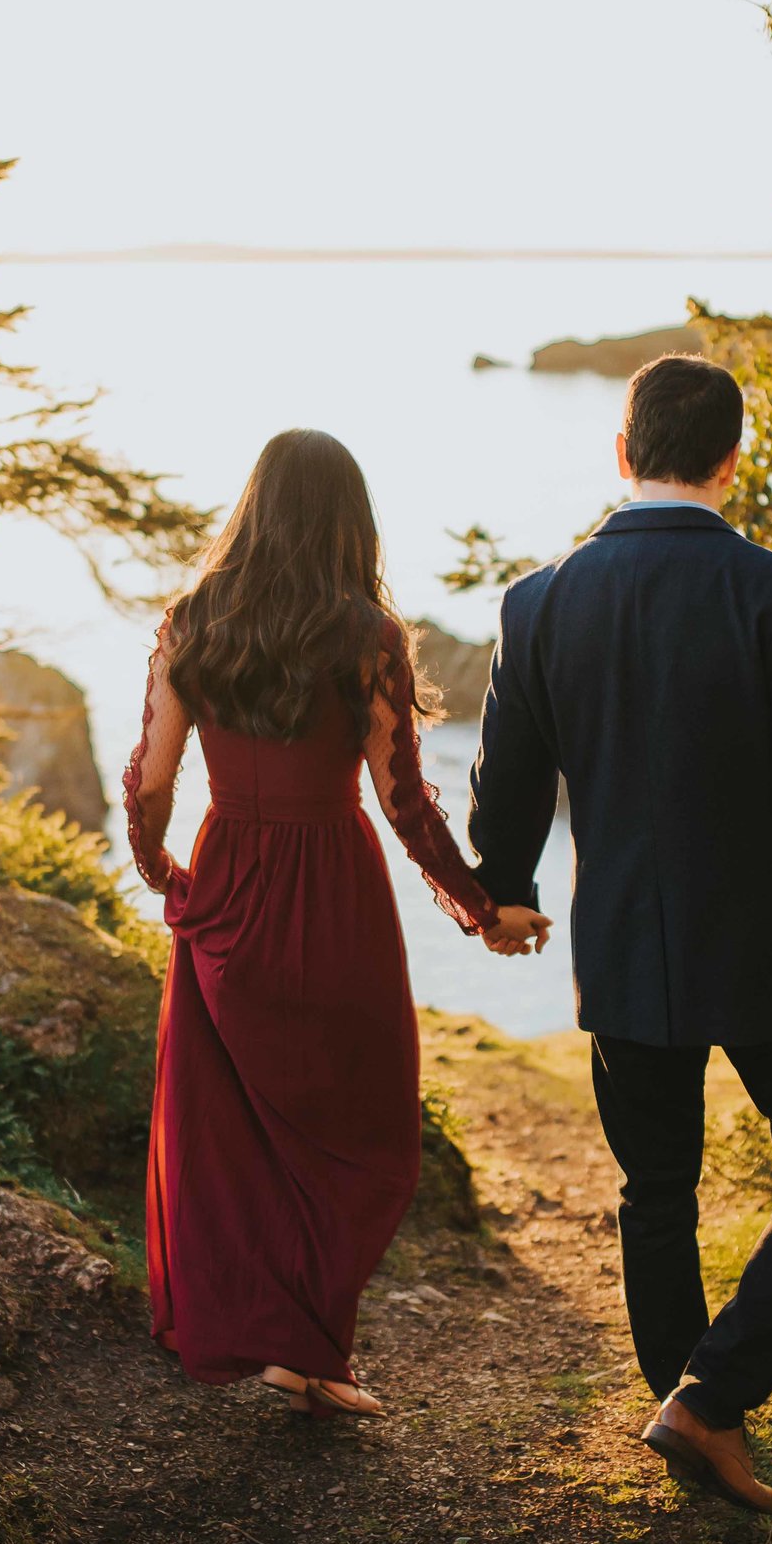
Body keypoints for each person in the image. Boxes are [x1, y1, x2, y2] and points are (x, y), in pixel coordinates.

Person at [466, 355, 772, 1512]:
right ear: (731, 460)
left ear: (621, 453)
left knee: (653, 1186)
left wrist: (503, 887)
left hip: (623, 946)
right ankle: (707, 1402)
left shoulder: (537, 600)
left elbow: (506, 777)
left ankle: (689, 1399)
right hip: (771, 953)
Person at [122, 428, 550, 1420]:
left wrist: (168, 879)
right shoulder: (368, 635)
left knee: (243, 1130)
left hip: (227, 882)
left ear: (252, 507)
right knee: (357, 1128)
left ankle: (297, 1350)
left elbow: (149, 782)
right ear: (348, 519)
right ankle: (312, 1352)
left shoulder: (191, 623)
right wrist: (481, 909)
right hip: (333, 892)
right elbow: (404, 799)